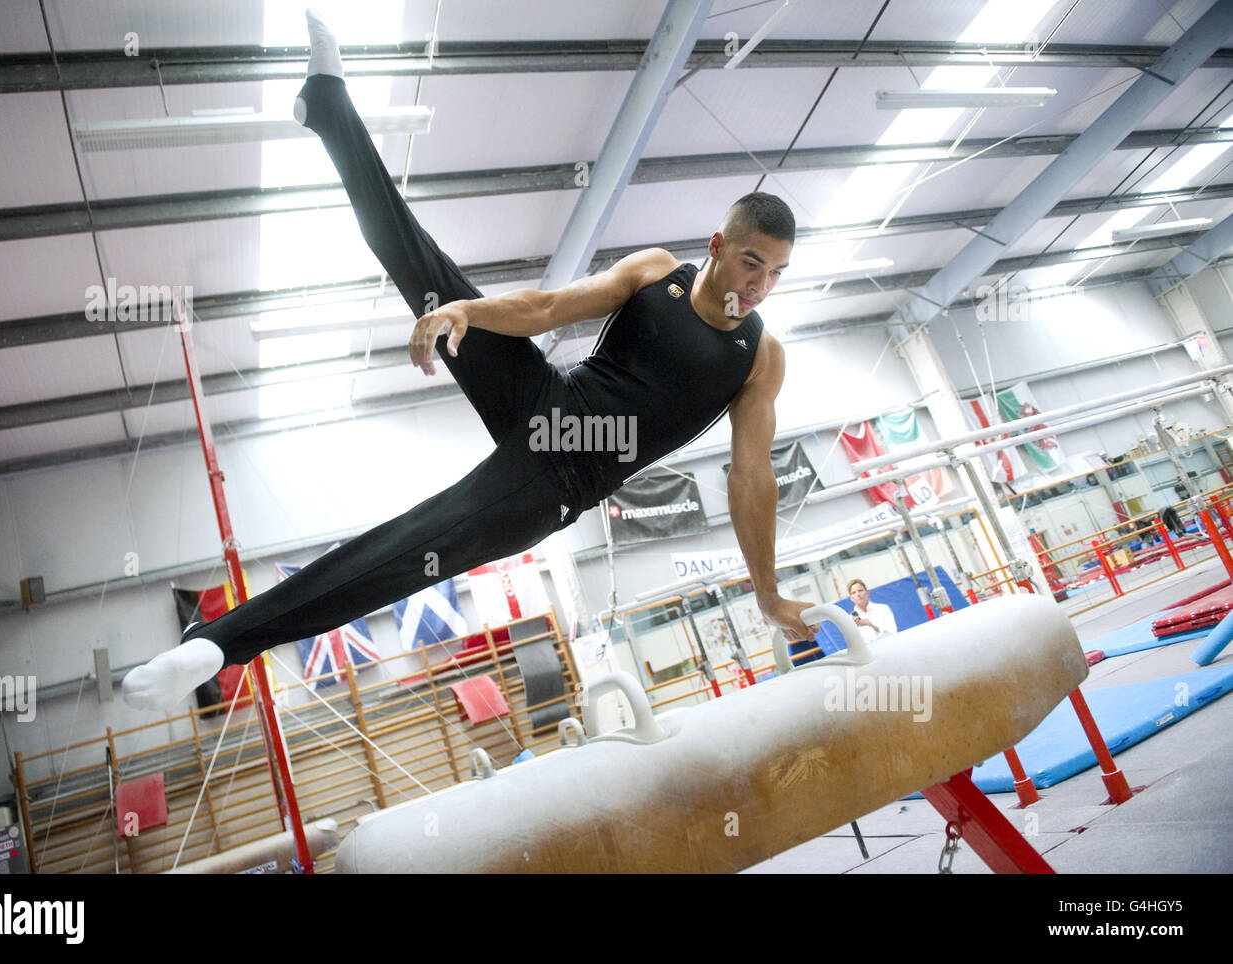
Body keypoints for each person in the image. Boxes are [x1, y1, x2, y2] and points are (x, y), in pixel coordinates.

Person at [123, 9, 815, 712]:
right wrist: (465, 313)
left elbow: (752, 476)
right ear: (718, 246)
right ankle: (329, 107)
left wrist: (766, 590)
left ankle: (219, 642)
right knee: (430, 273)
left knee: (412, 543)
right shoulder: (655, 270)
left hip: (557, 479)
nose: (757, 286)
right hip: (546, 397)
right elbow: (548, 309)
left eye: (775, 274)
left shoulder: (760, 357)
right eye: (751, 263)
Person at [847, 579, 897, 643]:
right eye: (854, 593)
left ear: (867, 592)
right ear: (851, 598)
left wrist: (872, 626)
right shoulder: (850, 620)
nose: (858, 595)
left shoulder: (883, 609)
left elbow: (893, 633)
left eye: (860, 591)